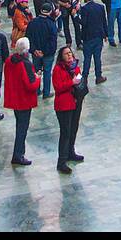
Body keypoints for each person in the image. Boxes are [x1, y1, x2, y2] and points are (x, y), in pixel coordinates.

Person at [3, 38, 40, 166]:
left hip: (14, 99)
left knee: (20, 125)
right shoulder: (25, 64)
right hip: (23, 100)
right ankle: (18, 154)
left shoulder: (9, 61)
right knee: (22, 128)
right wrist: (37, 79)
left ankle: (19, 153)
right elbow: (30, 85)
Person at [52, 45, 86, 173]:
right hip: (64, 104)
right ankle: (62, 161)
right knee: (65, 132)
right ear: (61, 56)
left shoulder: (75, 67)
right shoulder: (58, 69)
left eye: (70, 53)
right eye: (66, 53)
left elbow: (79, 79)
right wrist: (72, 83)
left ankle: (71, 152)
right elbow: (58, 87)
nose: (69, 55)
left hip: (76, 102)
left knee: (73, 129)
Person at [25, 0, 59, 99]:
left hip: (35, 53)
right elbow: (52, 41)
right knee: (47, 72)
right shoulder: (51, 24)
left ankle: (36, 90)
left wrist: (34, 50)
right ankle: (46, 92)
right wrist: (44, 52)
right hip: (47, 54)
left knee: (36, 71)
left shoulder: (32, 23)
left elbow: (28, 38)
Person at [78, 0, 107, 83]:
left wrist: (75, 16)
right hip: (98, 36)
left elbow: (83, 22)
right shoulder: (101, 7)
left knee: (87, 58)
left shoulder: (84, 9)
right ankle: (98, 76)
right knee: (97, 58)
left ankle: (84, 77)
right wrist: (106, 34)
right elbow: (104, 22)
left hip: (88, 37)